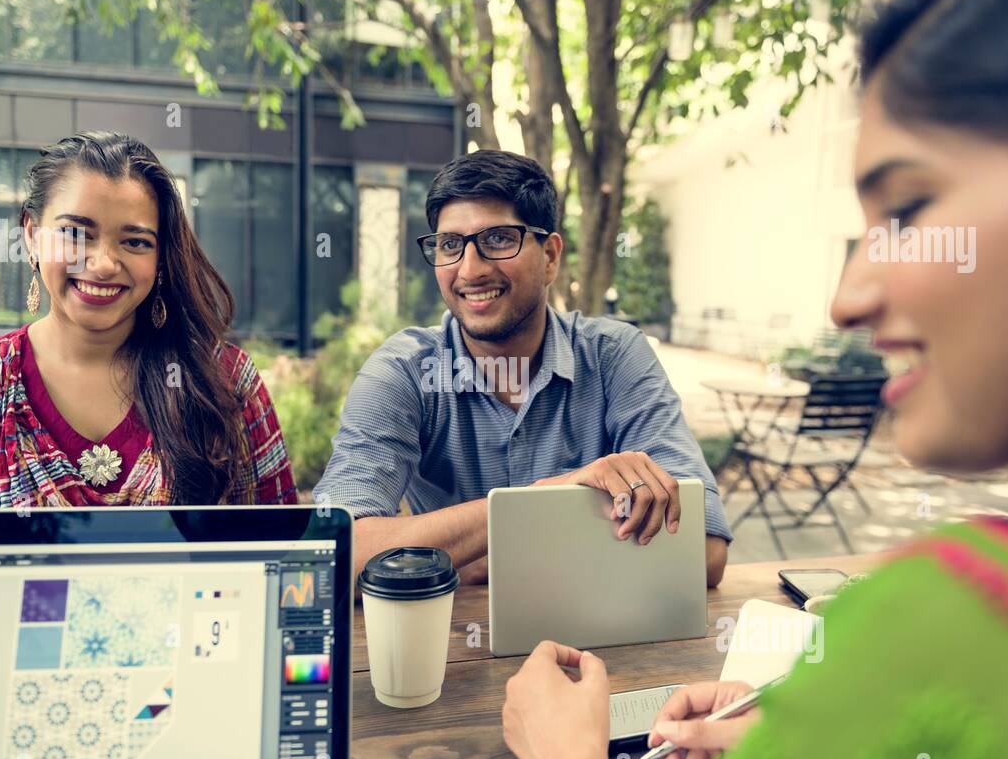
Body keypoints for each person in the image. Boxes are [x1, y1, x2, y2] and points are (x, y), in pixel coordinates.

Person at [502, 0, 1008, 759]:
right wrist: (821, 731)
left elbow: (709, 547)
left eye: (908, 209)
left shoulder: (964, 622)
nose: (848, 296)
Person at [313, 150, 731, 586]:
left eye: (497, 239)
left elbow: (703, 551)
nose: (469, 270)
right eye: (450, 245)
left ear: (550, 256)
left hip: (603, 643)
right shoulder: (403, 372)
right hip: (449, 646)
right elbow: (335, 554)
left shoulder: (614, 355)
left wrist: (464, 555)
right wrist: (547, 501)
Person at [0, 131, 297, 511]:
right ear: (31, 234)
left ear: (160, 256)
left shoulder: (224, 381)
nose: (102, 264)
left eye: (135, 241)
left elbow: (289, 562)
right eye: (76, 233)